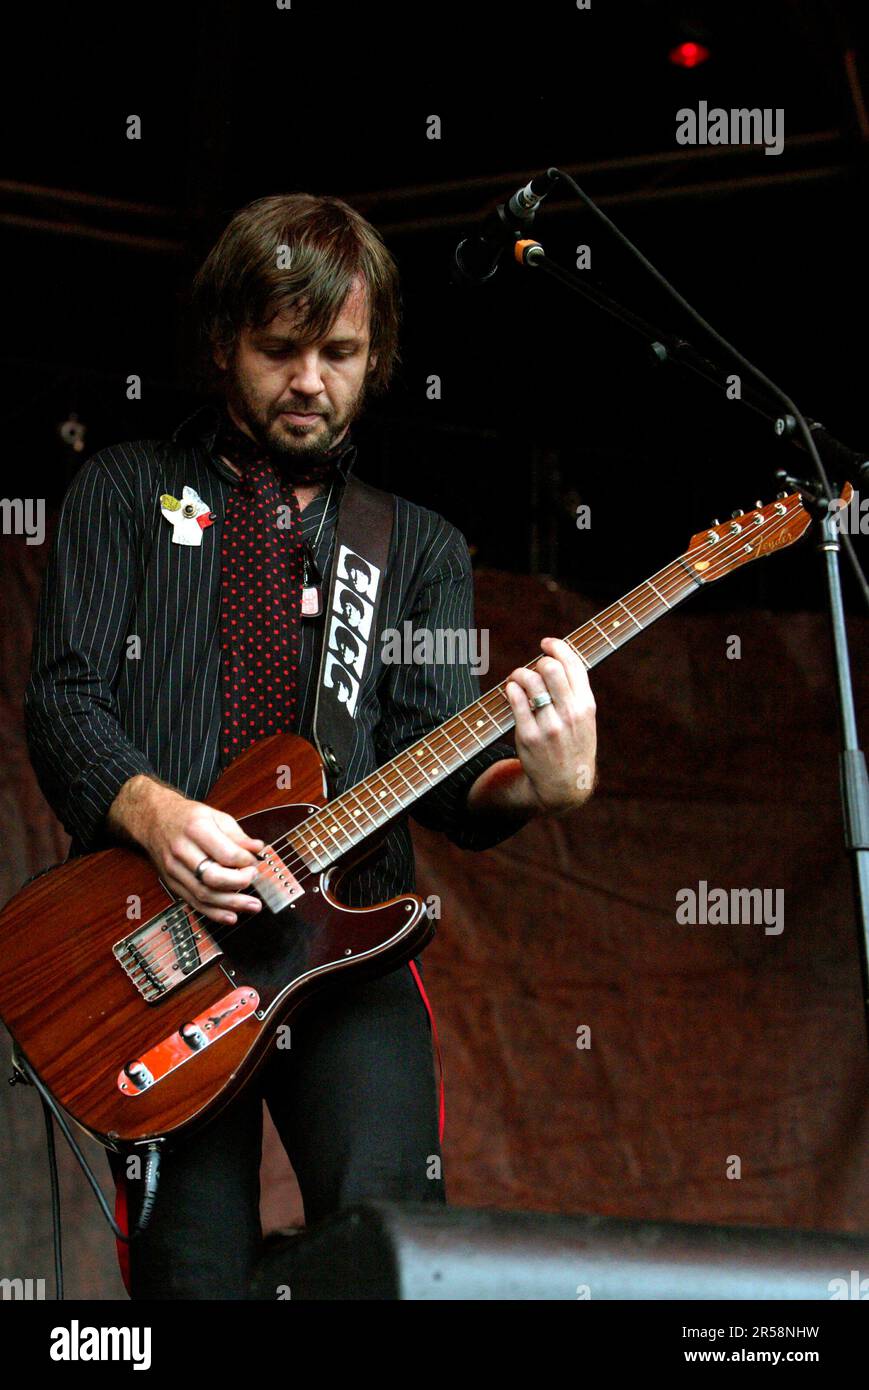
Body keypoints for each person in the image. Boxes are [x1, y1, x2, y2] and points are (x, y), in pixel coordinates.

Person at [23, 192, 597, 1299]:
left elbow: (441, 759)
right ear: (221, 343)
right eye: (278, 349)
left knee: (396, 1255)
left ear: (375, 356)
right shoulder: (121, 491)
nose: (307, 381)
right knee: (191, 1276)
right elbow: (62, 700)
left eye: (337, 352)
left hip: (347, 948)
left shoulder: (413, 543)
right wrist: (154, 811)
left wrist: (537, 784)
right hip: (162, 947)